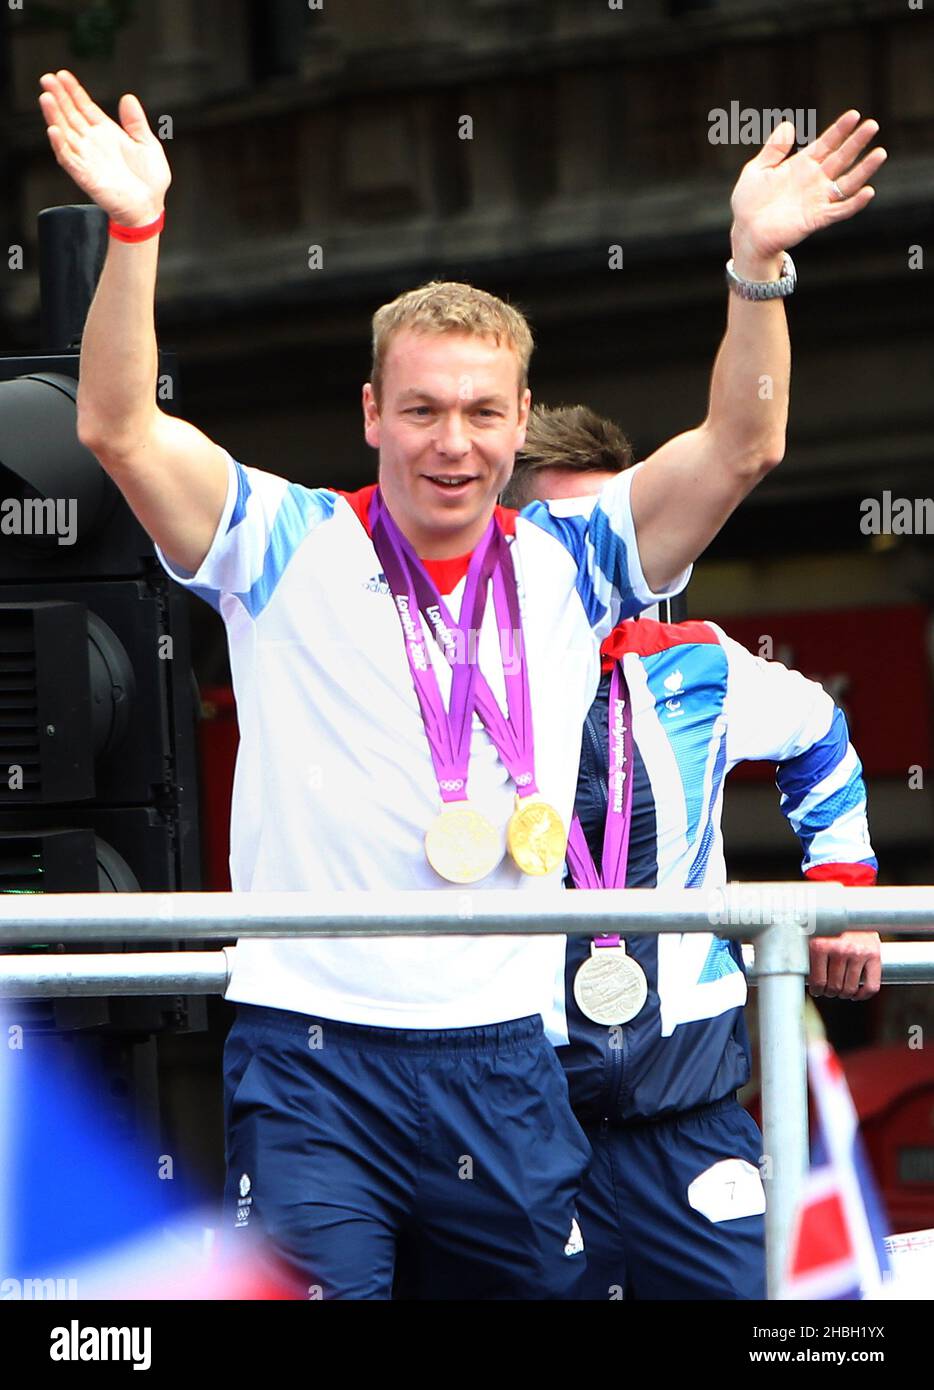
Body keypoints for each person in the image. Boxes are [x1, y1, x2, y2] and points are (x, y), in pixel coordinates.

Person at [38, 67, 885, 1299]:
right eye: (423, 409)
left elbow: (742, 446)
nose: (454, 442)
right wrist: (136, 233)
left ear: (521, 415)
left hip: (503, 1060)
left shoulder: (574, 560)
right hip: (310, 1057)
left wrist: (755, 266)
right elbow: (117, 427)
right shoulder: (284, 545)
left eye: (484, 413)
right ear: (371, 412)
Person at [503, 404, 882, 1300]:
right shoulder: (461, 674)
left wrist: (837, 892)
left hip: (693, 1114)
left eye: (616, 533)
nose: (594, 569)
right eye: (563, 541)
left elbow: (821, 734)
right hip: (522, 1117)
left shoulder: (701, 664)